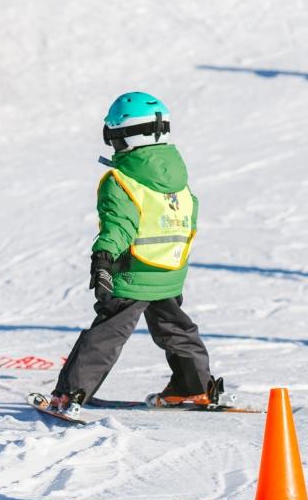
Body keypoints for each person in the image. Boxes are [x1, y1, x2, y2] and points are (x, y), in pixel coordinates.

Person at [40, 92, 221, 413]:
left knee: (107, 334)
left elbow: (119, 226)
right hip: (170, 268)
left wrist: (103, 259)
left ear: (125, 136)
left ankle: (71, 394)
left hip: (132, 270)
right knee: (176, 328)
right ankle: (193, 385)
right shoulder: (177, 175)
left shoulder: (122, 180)